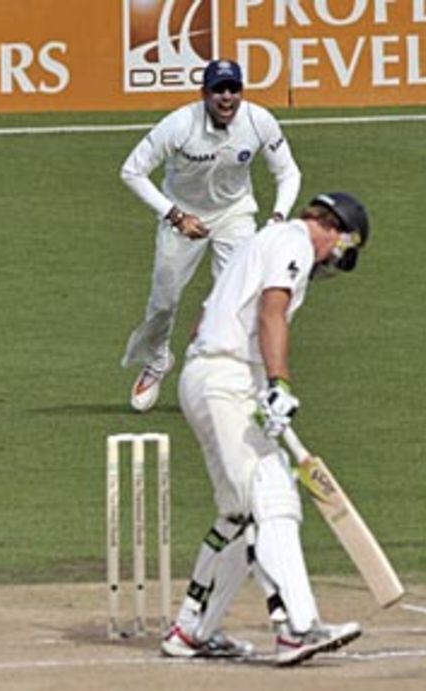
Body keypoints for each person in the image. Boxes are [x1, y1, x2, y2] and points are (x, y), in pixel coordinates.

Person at [161, 192, 369, 665]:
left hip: (215, 379)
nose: (333, 261)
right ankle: (296, 628)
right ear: (335, 230)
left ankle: (192, 630)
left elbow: (202, 325)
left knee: (237, 509)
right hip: (227, 381)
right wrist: (277, 384)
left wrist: (255, 389)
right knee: (274, 500)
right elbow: (271, 312)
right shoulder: (294, 241)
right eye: (341, 249)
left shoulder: (260, 243)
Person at [120, 58, 302, 412]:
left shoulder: (258, 121)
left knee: (238, 300)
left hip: (234, 215)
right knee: (163, 303)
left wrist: (278, 216)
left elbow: (289, 173)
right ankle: (157, 360)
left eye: (233, 89)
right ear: (205, 93)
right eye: (218, 89)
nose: (227, 97)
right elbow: (131, 171)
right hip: (182, 217)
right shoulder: (180, 124)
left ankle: (231, 381)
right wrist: (175, 215)